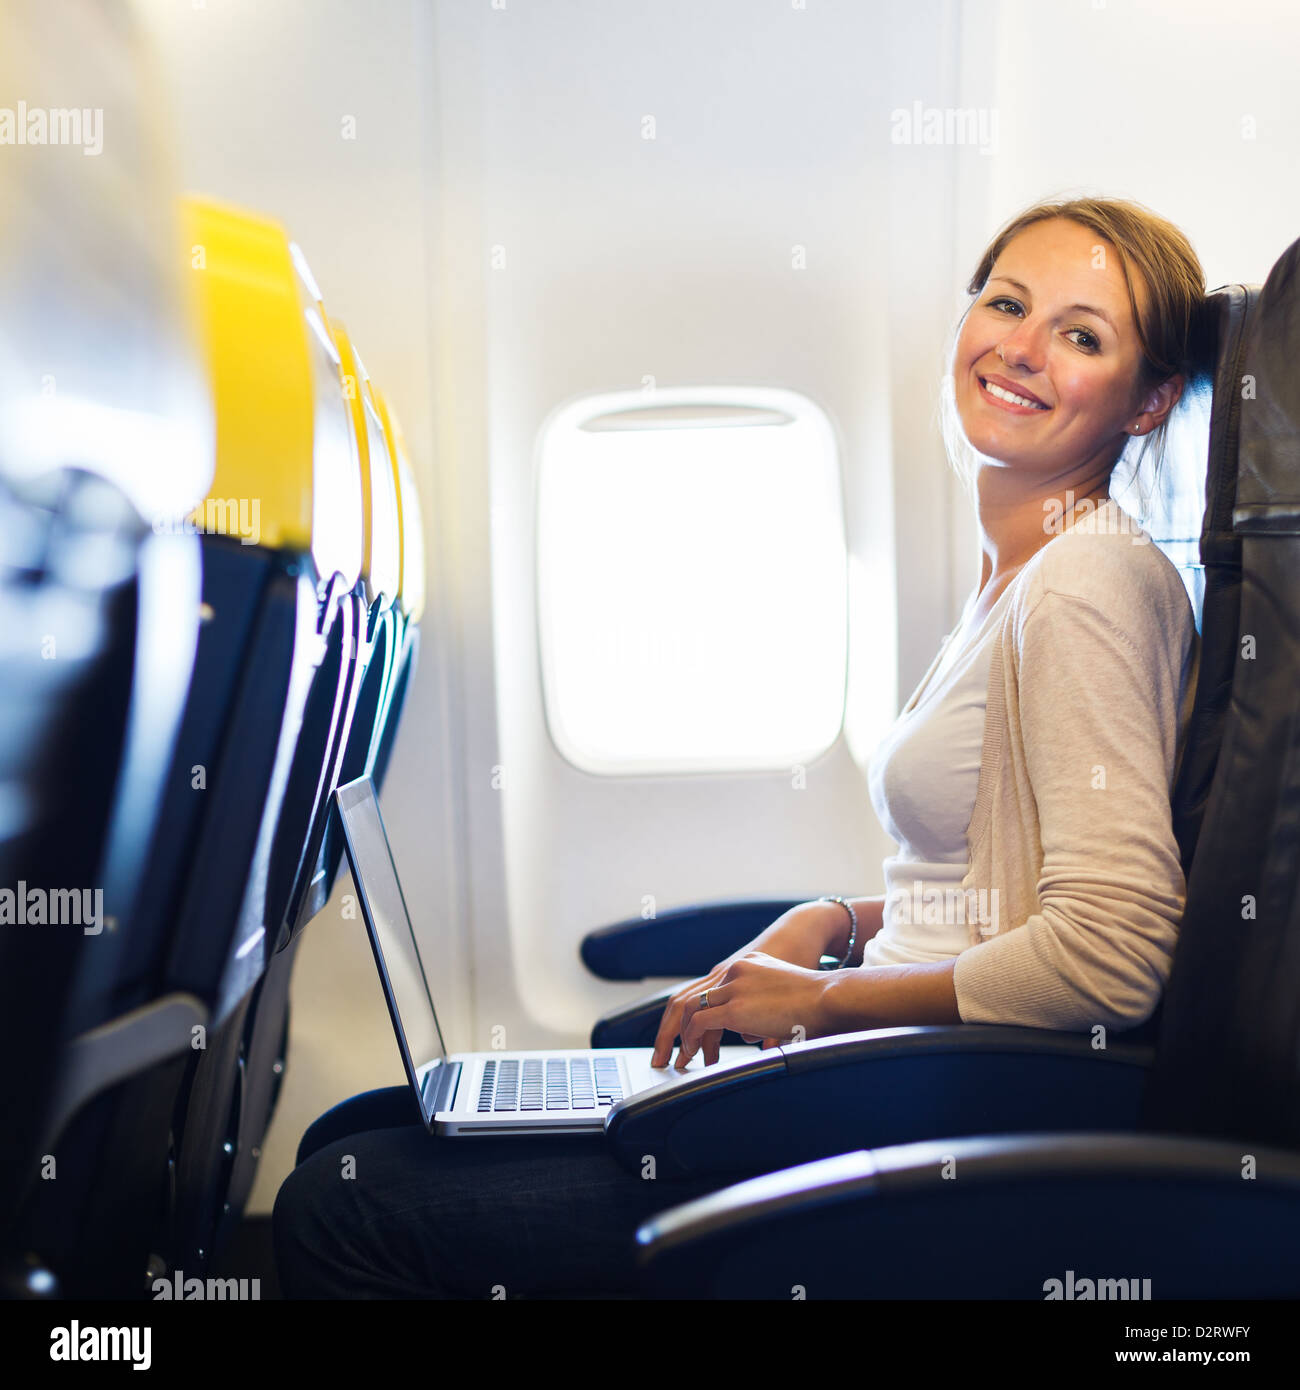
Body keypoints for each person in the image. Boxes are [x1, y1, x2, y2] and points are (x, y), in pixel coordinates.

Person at [272, 195, 1204, 1298]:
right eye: (1007, 302)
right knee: (371, 1130)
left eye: (1080, 334)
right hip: (891, 1075)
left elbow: (1112, 950)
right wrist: (838, 922)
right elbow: (988, 883)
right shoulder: (1017, 574)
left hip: (929, 1122)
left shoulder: (1086, 583)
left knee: (345, 1202)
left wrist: (815, 1003)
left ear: (1146, 402)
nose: (1021, 346)